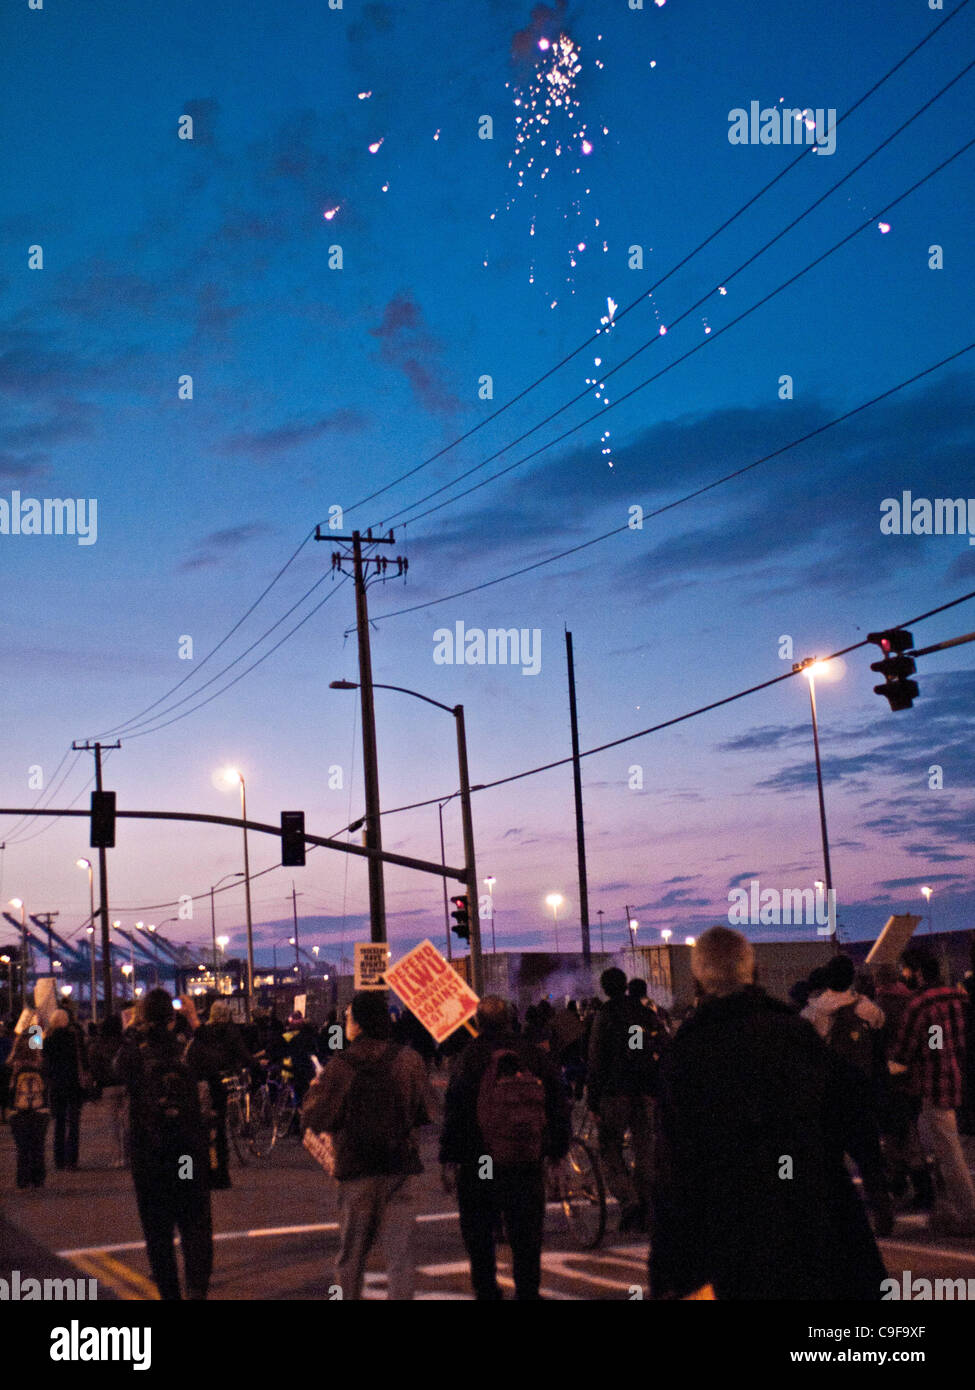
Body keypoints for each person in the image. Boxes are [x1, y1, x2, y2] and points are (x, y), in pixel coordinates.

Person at [650, 927, 887, 1300]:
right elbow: (849, 1111)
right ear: (754, 971)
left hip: (732, 1235)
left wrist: (670, 1270)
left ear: (698, 981)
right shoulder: (794, 1033)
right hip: (812, 1219)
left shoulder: (687, 1053)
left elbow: (674, 1167)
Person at [302, 992, 432, 1301]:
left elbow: (317, 1118)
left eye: (348, 1018)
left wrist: (313, 1093)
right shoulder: (409, 1059)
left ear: (357, 1024)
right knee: (400, 1258)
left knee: (352, 1256)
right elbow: (425, 1112)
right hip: (400, 1166)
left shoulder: (340, 1065)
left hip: (356, 1168)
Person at [440, 995, 571, 1301]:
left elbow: (455, 1110)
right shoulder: (532, 1054)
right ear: (512, 1020)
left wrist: (449, 1157)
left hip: (480, 1160)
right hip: (526, 1157)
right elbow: (557, 1101)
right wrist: (557, 1150)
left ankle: (487, 1289)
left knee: (479, 1231)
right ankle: (527, 1291)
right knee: (526, 1233)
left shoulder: (470, 1056)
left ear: (478, 1023)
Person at [114, 988, 213, 1300]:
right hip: (186, 1152)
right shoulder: (188, 1048)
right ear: (173, 1018)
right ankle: (196, 1290)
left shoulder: (134, 1053)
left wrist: (130, 1030)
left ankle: (169, 1293)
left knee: (157, 1230)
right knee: (194, 1221)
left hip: (151, 1153)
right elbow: (215, 1061)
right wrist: (195, 1022)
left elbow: (113, 1068)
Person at [889, 946, 975, 1236]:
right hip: (959, 1077)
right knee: (944, 1148)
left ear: (918, 972)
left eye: (907, 970)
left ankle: (969, 1213)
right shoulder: (958, 996)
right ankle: (946, 1211)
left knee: (949, 1152)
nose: (905, 975)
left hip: (934, 1083)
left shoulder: (920, 1005)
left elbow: (903, 1053)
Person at [587, 967, 664, 1232]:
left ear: (606, 988)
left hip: (614, 1092)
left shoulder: (605, 1016)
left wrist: (592, 1099)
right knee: (644, 1148)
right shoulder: (643, 1013)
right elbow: (655, 1046)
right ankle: (645, 1200)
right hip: (641, 1090)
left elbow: (596, 1060)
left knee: (609, 1148)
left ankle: (629, 1200)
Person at [186, 999, 258, 1189]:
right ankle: (221, 1174)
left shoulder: (203, 1033)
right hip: (221, 1083)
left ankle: (205, 1171)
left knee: (205, 1129)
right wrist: (256, 1066)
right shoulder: (230, 1031)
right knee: (220, 1131)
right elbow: (242, 1054)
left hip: (202, 1084)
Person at [8, 1023, 49, 1188]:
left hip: (18, 1111)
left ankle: (23, 1180)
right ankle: (38, 1179)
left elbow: (6, 1092)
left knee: (22, 1148)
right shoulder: (41, 1066)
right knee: (38, 1146)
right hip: (40, 1110)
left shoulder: (11, 1068)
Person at [44, 1009, 85, 1170]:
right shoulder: (74, 1036)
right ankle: (72, 1160)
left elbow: (38, 1054)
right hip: (73, 1084)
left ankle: (59, 1159)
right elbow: (82, 1058)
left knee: (59, 1123)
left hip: (55, 1085)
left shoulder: (47, 1039)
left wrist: (35, 1027)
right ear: (66, 1021)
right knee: (73, 1123)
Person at [89, 1015, 128, 1168]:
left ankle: (118, 1157)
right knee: (126, 1123)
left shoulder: (98, 1045)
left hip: (107, 1087)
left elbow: (95, 1067)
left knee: (112, 1125)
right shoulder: (125, 1043)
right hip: (125, 1085)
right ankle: (127, 1155)